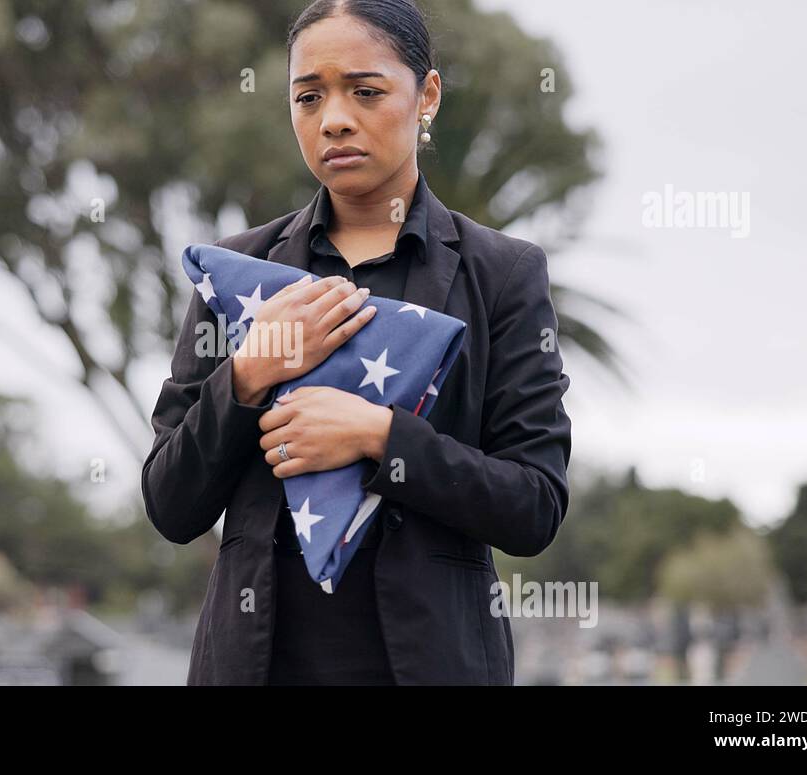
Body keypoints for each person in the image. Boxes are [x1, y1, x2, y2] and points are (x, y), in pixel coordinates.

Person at [141, 0, 572, 685]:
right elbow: (170, 503)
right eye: (308, 96)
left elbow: (534, 505)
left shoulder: (502, 274)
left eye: (365, 91)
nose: (333, 118)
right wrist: (250, 372)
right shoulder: (234, 272)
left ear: (426, 95)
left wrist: (379, 436)